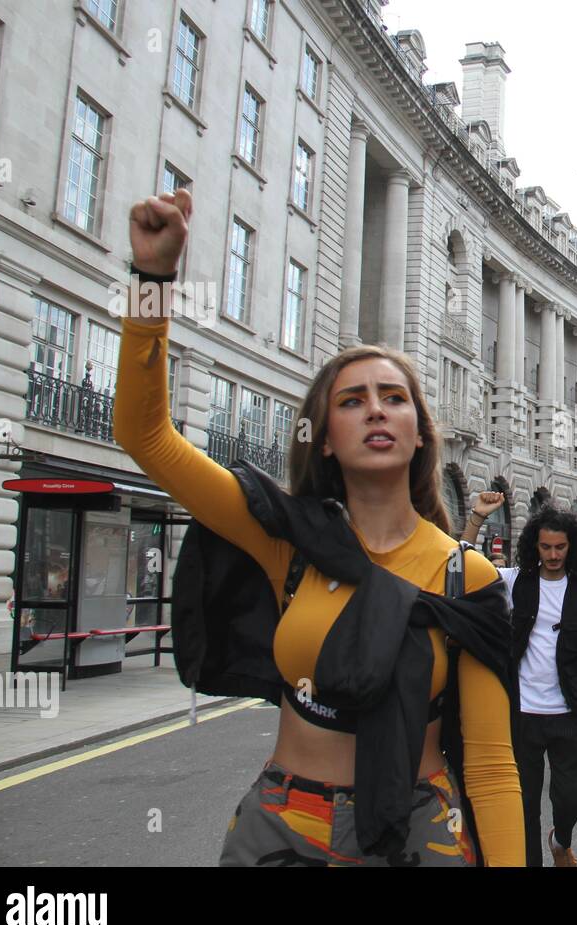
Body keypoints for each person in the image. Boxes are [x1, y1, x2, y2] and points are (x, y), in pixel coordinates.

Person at [115, 190, 524, 866]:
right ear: (325, 437)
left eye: (394, 399)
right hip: (283, 830)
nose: (376, 410)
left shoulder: (464, 574)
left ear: (420, 434)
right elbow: (146, 435)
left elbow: (489, 764)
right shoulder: (287, 543)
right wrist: (153, 283)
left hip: (418, 834)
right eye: (352, 400)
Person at [463, 494, 577, 866]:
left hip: (569, 712)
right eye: (545, 546)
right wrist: (477, 519)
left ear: (571, 547)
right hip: (522, 713)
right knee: (523, 804)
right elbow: (461, 568)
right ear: (534, 546)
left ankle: (561, 840)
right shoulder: (513, 582)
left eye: (560, 547)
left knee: (573, 792)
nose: (553, 554)